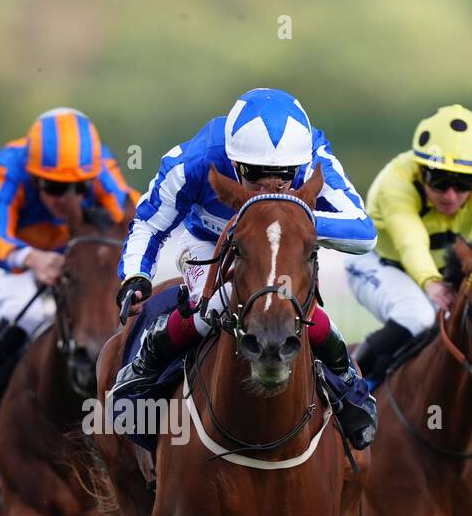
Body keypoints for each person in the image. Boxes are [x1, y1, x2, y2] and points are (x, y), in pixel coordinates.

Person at [112, 88, 379, 449]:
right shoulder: (197, 157)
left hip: (281, 242)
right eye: (254, 174)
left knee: (291, 300)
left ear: (298, 165)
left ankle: (345, 378)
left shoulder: (313, 153)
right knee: (221, 300)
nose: (269, 183)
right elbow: (149, 221)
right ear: (234, 163)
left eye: (283, 174)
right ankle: (146, 364)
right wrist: (136, 275)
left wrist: (284, 221)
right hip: (208, 241)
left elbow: (363, 232)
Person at [345, 104, 472, 458]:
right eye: (440, 181)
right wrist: (432, 284)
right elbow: (410, 243)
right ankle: (354, 391)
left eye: (463, 184)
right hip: (381, 265)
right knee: (419, 317)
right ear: (421, 172)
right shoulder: (397, 183)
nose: (451, 195)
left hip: (442, 271)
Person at [0, 107, 138, 448]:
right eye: (54, 187)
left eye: (78, 189)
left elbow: (131, 214)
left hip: (68, 249)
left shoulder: (100, 166)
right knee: (32, 314)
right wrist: (31, 258)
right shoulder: (7, 168)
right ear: (34, 177)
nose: (68, 200)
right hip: (11, 251)